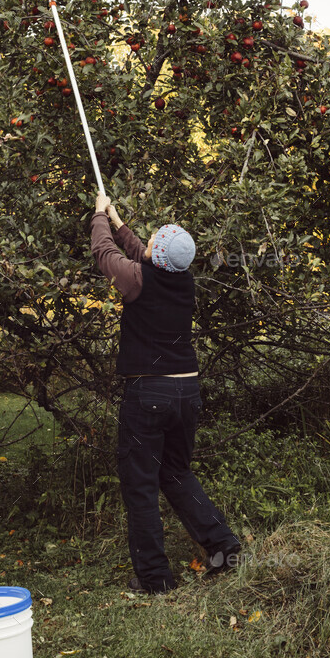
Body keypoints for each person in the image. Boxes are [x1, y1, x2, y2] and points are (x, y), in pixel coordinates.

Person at [91, 192, 241, 594]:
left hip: (149, 393)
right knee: (175, 472)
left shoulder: (137, 279)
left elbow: (104, 253)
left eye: (155, 238)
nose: (150, 241)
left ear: (158, 253)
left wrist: (98, 216)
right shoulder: (183, 278)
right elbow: (142, 252)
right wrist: (118, 218)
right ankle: (223, 547)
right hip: (186, 391)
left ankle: (155, 580)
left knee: (140, 483)